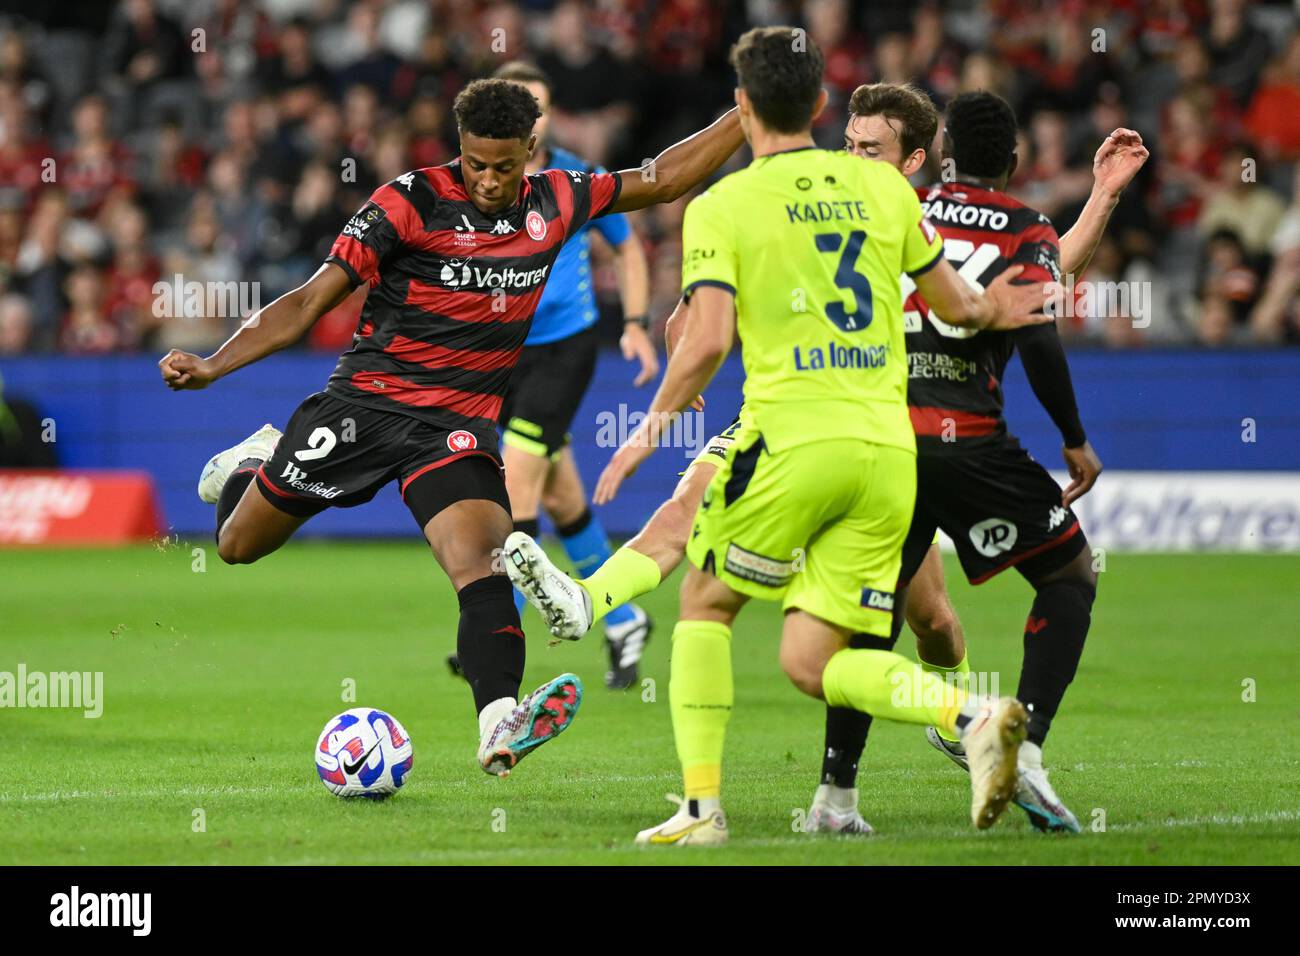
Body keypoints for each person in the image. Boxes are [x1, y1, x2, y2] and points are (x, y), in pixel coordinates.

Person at [506, 80, 1147, 834]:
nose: (852, 157)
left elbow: (1037, 271)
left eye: (870, 148)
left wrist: (1099, 199)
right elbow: (1026, 274)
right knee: (691, 517)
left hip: (874, 432)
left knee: (931, 621)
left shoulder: (896, 214)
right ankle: (593, 605)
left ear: (916, 160)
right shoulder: (859, 205)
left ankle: (956, 723)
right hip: (822, 422)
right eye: (849, 143)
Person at [158, 78, 745, 780]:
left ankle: (500, 722)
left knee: (484, 562)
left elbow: (663, 178)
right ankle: (261, 457)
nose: (491, 181)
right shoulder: (409, 201)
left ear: (532, 149)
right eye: (476, 165)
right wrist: (216, 364)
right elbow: (312, 299)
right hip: (366, 405)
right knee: (236, 546)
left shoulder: (560, 197)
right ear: (458, 150)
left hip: (456, 424)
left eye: (505, 165)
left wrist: (746, 115)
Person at [492, 61, 655, 690]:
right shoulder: (481, 182)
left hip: (564, 351)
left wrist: (637, 320)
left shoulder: (577, 178)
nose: (529, 120)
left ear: (549, 113)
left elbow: (628, 246)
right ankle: (626, 620)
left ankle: (500, 632)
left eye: (538, 107)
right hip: (499, 355)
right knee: (562, 497)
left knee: (517, 482)